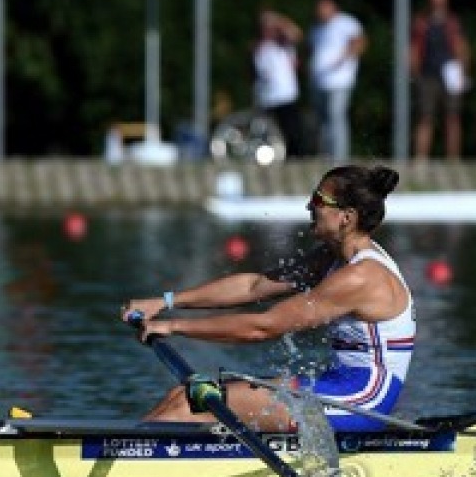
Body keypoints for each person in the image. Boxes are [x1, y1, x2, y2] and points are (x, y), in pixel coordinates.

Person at [122, 165, 414, 432]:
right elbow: (255, 286)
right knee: (183, 395)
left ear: (346, 218)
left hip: (363, 401)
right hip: (337, 385)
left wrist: (172, 327)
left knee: (188, 405)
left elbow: (264, 327)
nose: (308, 207)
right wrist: (165, 302)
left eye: (318, 200)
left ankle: (129, 459)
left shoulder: (362, 276)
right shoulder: (333, 258)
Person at [410, 0, 471, 161]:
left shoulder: (453, 22)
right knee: (425, 116)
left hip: (451, 74)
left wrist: (463, 72)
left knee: (453, 116)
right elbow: (413, 48)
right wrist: (414, 72)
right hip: (427, 74)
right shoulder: (421, 22)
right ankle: (421, 158)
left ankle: (453, 158)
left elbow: (461, 47)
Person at [309, 0, 367, 162]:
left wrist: (342, 59)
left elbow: (360, 43)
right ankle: (325, 154)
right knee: (322, 120)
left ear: (333, 7)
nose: (320, 11)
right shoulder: (317, 27)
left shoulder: (346, 23)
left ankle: (340, 156)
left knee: (336, 115)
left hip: (340, 80)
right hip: (320, 81)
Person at [253, 9, 304, 158]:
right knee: (269, 133)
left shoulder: (284, 45)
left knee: (292, 131)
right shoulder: (260, 48)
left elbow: (297, 34)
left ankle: (294, 157)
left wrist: (280, 20)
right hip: (268, 97)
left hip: (286, 95)